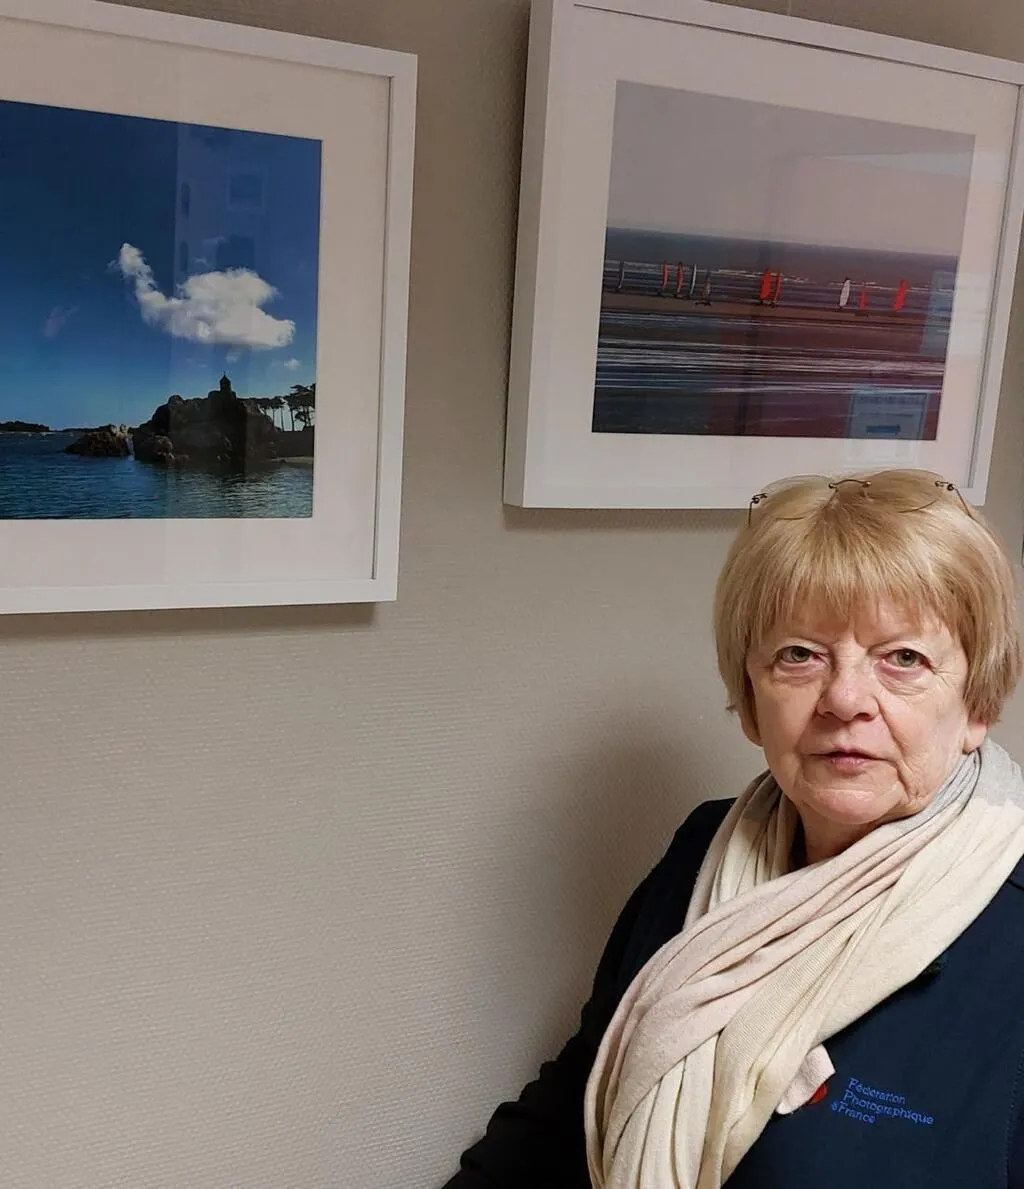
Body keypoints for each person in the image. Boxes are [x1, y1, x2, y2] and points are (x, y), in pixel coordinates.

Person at [443, 470, 1024, 1189]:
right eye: (799, 655)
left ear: (977, 704)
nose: (845, 698)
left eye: (903, 658)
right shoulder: (702, 849)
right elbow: (573, 1105)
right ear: (751, 699)